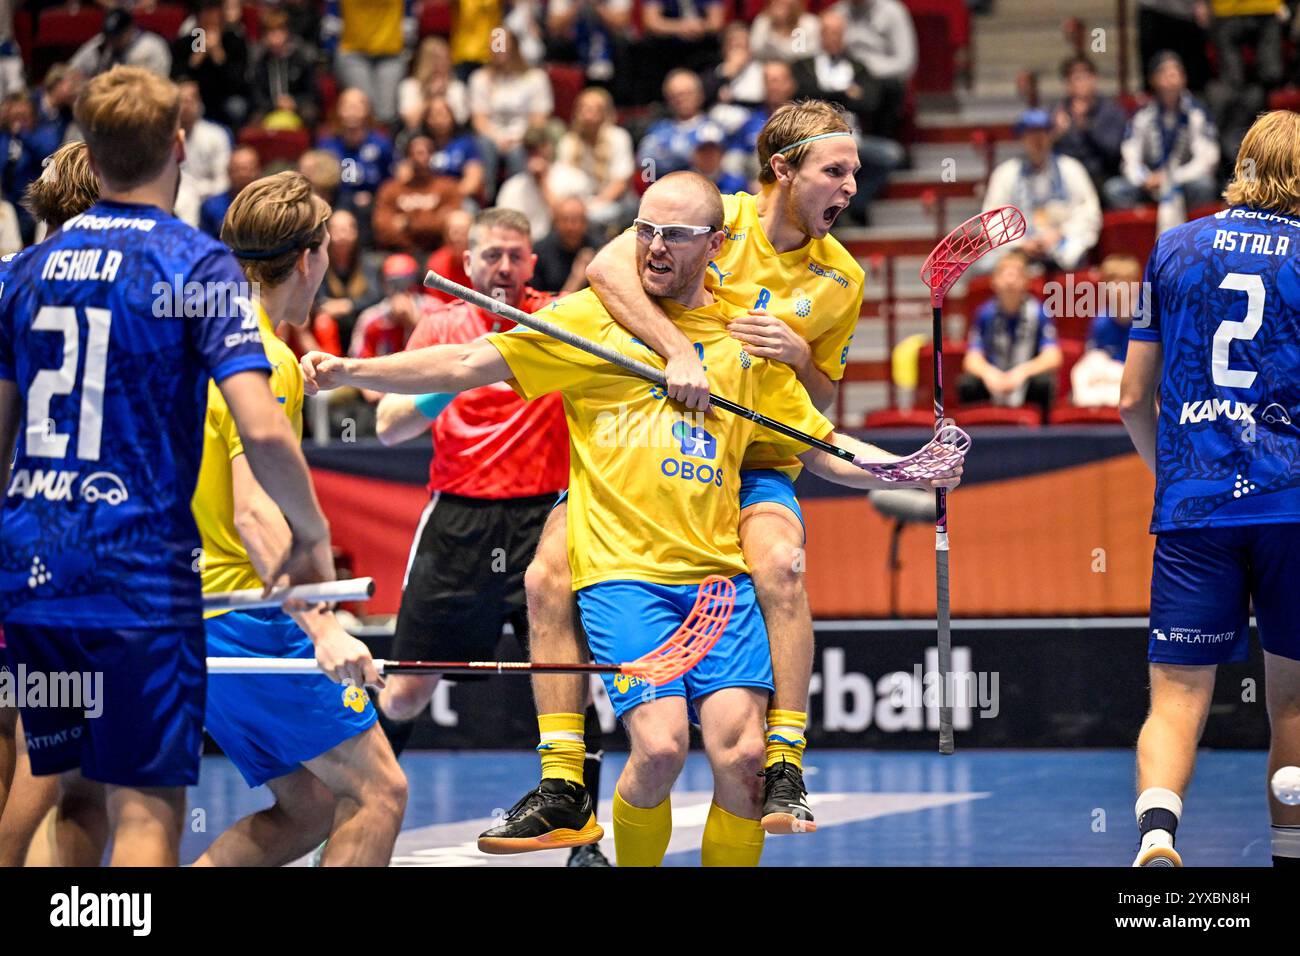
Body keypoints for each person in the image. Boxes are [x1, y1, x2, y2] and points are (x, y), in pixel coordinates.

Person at [299, 172, 962, 866]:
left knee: (743, 761)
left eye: (675, 234)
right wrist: (353, 370)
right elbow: (467, 361)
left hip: (718, 586)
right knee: (661, 745)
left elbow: (823, 448)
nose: (653, 246)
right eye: (644, 229)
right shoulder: (592, 323)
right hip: (626, 580)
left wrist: (908, 465)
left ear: (717, 245)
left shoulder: (743, 346)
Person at [489, 100, 866, 845]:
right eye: (836, 170)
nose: (852, 186)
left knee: (781, 568)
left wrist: (795, 354)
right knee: (542, 578)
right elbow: (605, 268)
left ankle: (786, 758)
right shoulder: (703, 213)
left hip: (756, 455)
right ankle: (564, 780)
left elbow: (821, 396)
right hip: (663, 443)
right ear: (783, 171)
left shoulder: (840, 278)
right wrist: (678, 352)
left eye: (854, 171)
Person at [0, 66, 331, 867]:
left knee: (67, 788)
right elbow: (263, 430)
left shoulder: (25, 272)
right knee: (146, 806)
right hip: (137, 570)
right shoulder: (195, 264)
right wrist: (313, 538)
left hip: (35, 564)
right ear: (179, 146)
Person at [370, 208, 609, 864]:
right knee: (407, 687)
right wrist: (454, 377)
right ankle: (357, 807)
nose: (503, 268)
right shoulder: (442, 326)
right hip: (458, 521)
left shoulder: (561, 316)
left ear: (533, 264)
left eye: (516, 256)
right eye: (491, 257)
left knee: (567, 675)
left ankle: (581, 840)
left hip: (549, 518)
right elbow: (389, 427)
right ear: (468, 264)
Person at [192, 171, 407, 867]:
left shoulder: (194, 339)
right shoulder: (266, 360)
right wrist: (323, 629)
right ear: (312, 257)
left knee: (309, 805)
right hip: (249, 617)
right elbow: (256, 511)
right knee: (380, 792)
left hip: (188, 617)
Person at [1118, 109, 1300, 868]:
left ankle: (1158, 834)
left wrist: (1177, 480)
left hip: (1194, 506)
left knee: (1177, 697)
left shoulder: (1172, 247)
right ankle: (1289, 846)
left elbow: (1131, 397)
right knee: (1291, 698)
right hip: (1290, 505)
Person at [0, 141, 100, 868]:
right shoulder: (115, 282)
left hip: (15, 526)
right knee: (60, 757)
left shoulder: (10, 277)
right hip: (73, 535)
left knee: (16, 736)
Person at [1105, 52, 1219, 229]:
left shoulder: (1197, 112)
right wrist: (1144, 178)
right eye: (1165, 71)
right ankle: (1142, 236)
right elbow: (1130, 155)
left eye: (1176, 71)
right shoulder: (1143, 113)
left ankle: (1196, 238)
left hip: (1184, 180)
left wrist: (1171, 178)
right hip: (1150, 183)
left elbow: (1207, 160)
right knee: (1115, 189)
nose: (1171, 76)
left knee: (1204, 186)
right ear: (1153, 79)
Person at [981, 108, 1101, 272]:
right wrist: (1022, 243)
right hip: (1019, 248)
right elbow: (992, 220)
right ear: (1022, 138)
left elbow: (1088, 212)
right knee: (984, 268)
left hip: (1060, 244)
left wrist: (1061, 233)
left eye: (1042, 134)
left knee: (1076, 258)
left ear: (1050, 136)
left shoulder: (1071, 168)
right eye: (1032, 135)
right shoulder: (1005, 173)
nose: (1038, 141)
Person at [957, 250, 1062, 420]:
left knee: (1044, 382)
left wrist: (1021, 372)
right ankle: (974, 435)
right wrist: (989, 374)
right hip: (993, 378)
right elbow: (971, 359)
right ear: (994, 281)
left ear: (1026, 282)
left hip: (1024, 378)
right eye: (1005, 274)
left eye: (1017, 274)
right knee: (968, 384)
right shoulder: (984, 313)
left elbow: (1053, 357)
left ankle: (1042, 437)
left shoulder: (1039, 312)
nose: (1010, 280)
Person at [555, 87, 635, 235]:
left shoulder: (619, 138)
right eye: (583, 108)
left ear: (606, 113)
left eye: (594, 109)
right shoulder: (568, 142)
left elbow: (621, 182)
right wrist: (578, 208)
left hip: (615, 203)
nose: (588, 114)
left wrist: (596, 205)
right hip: (579, 204)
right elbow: (562, 180)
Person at [495, 127, 592, 242]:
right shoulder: (512, 187)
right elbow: (503, 229)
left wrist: (542, 183)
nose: (535, 154)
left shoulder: (574, 178)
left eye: (539, 148)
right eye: (530, 149)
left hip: (563, 248)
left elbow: (571, 223)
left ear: (549, 147)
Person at [324, 0, 413, 124]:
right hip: (353, 53)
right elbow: (331, 23)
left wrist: (406, 48)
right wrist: (333, 48)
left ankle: (383, 143)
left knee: (387, 112)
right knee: (364, 108)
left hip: (391, 54)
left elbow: (409, 18)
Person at [1071, 254, 1142, 408]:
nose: (1118, 287)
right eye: (1112, 281)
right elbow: (1094, 359)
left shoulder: (1147, 320)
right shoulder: (1100, 322)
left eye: (1125, 281)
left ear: (1136, 285)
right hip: (1108, 380)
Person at [372, 134, 463, 252]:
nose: (423, 157)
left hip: (439, 251)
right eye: (417, 152)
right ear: (407, 157)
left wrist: (407, 223)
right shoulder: (390, 189)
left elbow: (452, 226)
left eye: (427, 152)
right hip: (400, 252)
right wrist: (434, 218)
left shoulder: (448, 187)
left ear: (433, 155)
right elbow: (382, 229)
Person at [1051, 55, 1128, 194]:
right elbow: (1043, 151)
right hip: (1068, 178)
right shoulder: (1058, 111)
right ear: (1067, 84)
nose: (1080, 83)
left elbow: (1114, 152)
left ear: (1094, 79)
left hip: (1103, 176)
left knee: (1115, 190)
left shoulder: (1110, 110)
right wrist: (1057, 134)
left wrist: (1086, 126)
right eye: (1075, 78)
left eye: (1085, 77)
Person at [170, 0, 249, 128]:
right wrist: (198, 56)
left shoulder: (235, 41)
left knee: (236, 107)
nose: (211, 21)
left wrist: (218, 53)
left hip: (224, 96)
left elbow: (237, 81)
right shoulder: (184, 43)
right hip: (195, 95)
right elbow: (177, 76)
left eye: (215, 16)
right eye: (206, 16)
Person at [248, 7, 321, 128]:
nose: (275, 38)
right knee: (253, 122)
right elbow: (256, 96)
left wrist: (294, 102)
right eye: (270, 32)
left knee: (310, 113)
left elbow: (312, 93)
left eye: (279, 31)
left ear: (287, 32)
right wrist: (275, 104)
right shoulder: (259, 61)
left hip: (297, 106)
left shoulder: (301, 58)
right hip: (269, 107)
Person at [637, 69, 710, 178]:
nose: (682, 99)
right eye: (676, 95)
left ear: (700, 95)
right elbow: (646, 168)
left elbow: (712, 167)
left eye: (687, 93)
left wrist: (665, 155)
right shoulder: (657, 131)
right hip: (664, 190)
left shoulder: (714, 128)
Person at [69, 9, 172, 79]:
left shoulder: (152, 46)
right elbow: (73, 69)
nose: (113, 41)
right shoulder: (101, 42)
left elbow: (159, 84)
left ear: (130, 29)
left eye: (118, 36)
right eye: (109, 36)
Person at [532, 195, 598, 294]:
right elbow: (539, 303)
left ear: (586, 223)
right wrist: (576, 279)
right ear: (555, 222)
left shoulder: (599, 249)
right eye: (565, 220)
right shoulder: (539, 252)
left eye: (576, 220)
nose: (570, 227)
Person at [199, 145, 263, 239]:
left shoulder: (271, 206)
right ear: (228, 172)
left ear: (259, 171)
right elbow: (205, 243)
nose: (243, 174)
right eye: (237, 169)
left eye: (248, 169)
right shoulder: (211, 207)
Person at [424, 208, 474, 303]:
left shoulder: (484, 264)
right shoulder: (436, 263)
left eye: (461, 231)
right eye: (450, 231)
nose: (454, 237)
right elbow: (434, 304)